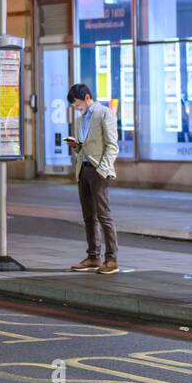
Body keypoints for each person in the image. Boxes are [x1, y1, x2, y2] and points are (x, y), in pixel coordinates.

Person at [66, 83, 119, 274]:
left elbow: (112, 145)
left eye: (77, 103)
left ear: (87, 98)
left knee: (104, 215)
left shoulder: (105, 113)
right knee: (89, 217)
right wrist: (76, 146)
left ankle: (112, 259)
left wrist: (102, 170)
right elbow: (85, 146)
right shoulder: (81, 119)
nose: (76, 107)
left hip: (98, 171)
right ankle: (93, 256)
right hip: (83, 170)